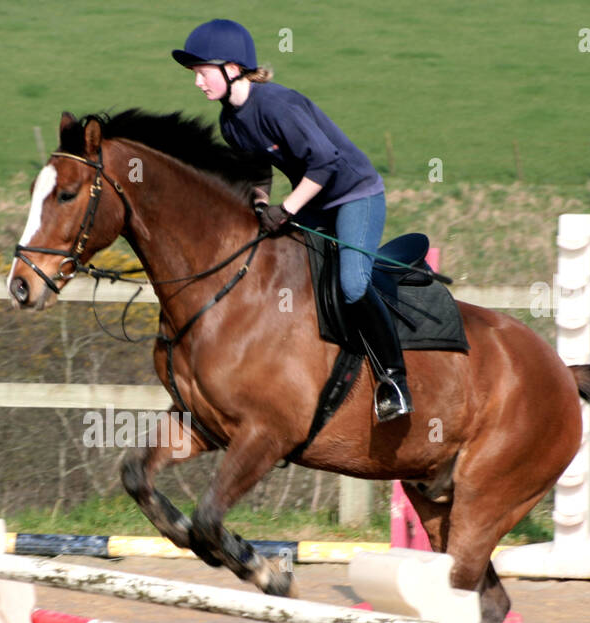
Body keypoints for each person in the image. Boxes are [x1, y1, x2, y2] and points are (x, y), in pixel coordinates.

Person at [172, 19, 412, 422]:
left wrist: (289, 209)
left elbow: (326, 161)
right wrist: (264, 203)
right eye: (195, 74)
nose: (197, 82)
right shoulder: (229, 122)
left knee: (352, 285)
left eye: (202, 72)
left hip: (355, 196)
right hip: (313, 199)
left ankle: (394, 381)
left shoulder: (277, 105)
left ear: (232, 68)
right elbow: (259, 171)